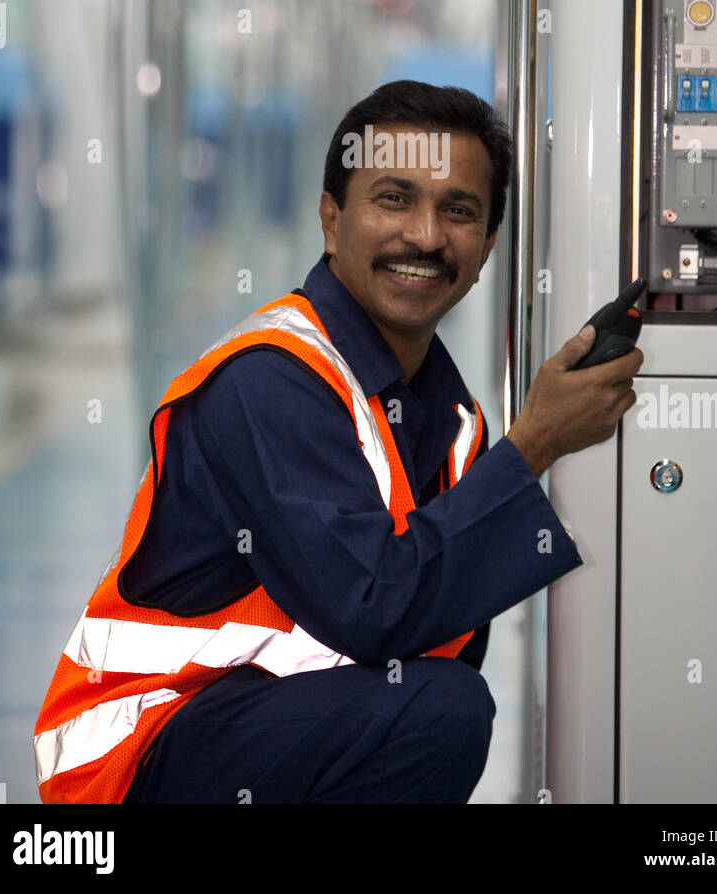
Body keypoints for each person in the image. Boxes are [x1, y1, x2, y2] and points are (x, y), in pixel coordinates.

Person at [33, 80, 642, 804]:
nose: (424, 235)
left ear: (484, 251)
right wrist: (536, 442)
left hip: (252, 725)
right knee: (439, 710)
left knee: (436, 698)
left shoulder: (446, 417)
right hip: (136, 753)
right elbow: (373, 609)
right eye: (394, 198)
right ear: (331, 221)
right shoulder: (270, 380)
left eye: (459, 210)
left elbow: (432, 617)